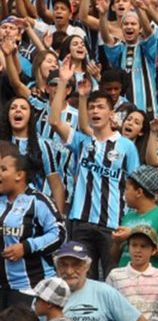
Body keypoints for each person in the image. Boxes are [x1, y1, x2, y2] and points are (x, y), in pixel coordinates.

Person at [49, 63, 140, 278]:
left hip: (112, 225)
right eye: (91, 107)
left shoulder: (127, 146)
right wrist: (63, 81)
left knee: (112, 279)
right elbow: (54, 121)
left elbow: (135, 187)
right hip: (81, 222)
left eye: (100, 107)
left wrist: (129, 223)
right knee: (81, 279)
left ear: (111, 112)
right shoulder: (82, 142)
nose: (95, 111)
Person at [0, 152, 66, 309]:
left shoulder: (39, 201)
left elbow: (59, 234)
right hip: (2, 288)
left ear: (19, 175)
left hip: (30, 287)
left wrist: (26, 247)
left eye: (3, 169)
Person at [112, 165, 158, 272]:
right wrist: (117, 242)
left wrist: (132, 234)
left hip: (152, 281)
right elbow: (115, 258)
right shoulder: (128, 216)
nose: (124, 193)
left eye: (127, 189)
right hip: (125, 278)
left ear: (139, 192)